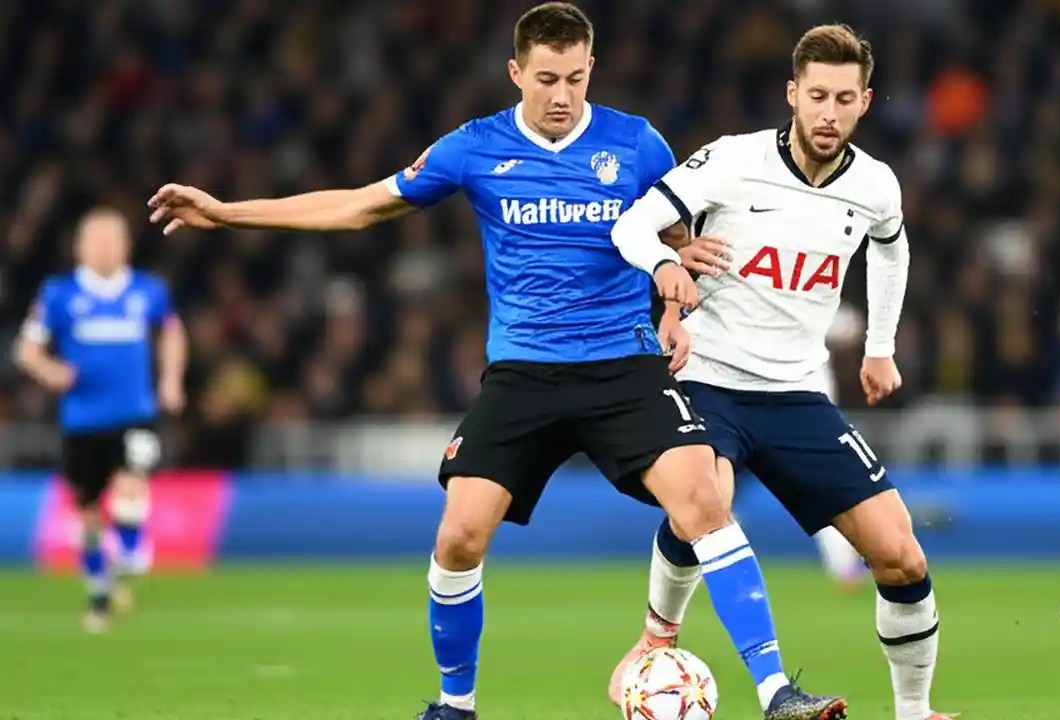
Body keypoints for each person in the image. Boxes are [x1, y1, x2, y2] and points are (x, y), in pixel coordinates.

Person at [146, 4, 845, 719]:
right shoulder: (474, 148)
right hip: (524, 374)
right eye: (546, 79)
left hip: (622, 367)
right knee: (459, 535)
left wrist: (673, 309)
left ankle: (775, 693)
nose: (562, 94)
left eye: (575, 77)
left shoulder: (637, 145)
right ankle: (456, 706)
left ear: (591, 70)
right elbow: (362, 206)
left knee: (706, 502)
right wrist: (229, 212)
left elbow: (678, 241)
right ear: (516, 74)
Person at [609, 24, 950, 720]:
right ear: (792, 93)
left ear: (866, 102)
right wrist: (668, 265)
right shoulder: (733, 163)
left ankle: (914, 711)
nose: (829, 112)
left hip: (796, 393)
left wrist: (880, 346)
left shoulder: (876, 187)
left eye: (844, 99)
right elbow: (630, 227)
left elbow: (892, 250)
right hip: (706, 378)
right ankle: (657, 640)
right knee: (706, 497)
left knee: (901, 555)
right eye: (817, 95)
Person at [14, 207, 187, 633]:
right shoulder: (59, 295)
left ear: (126, 245)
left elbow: (172, 332)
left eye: (114, 238)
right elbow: (27, 349)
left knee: (132, 480)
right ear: (80, 246)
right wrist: (51, 371)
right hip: (83, 419)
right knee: (88, 514)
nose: (106, 247)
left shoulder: (148, 292)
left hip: (135, 413)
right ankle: (99, 593)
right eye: (97, 239)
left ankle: (128, 549)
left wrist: (170, 380)